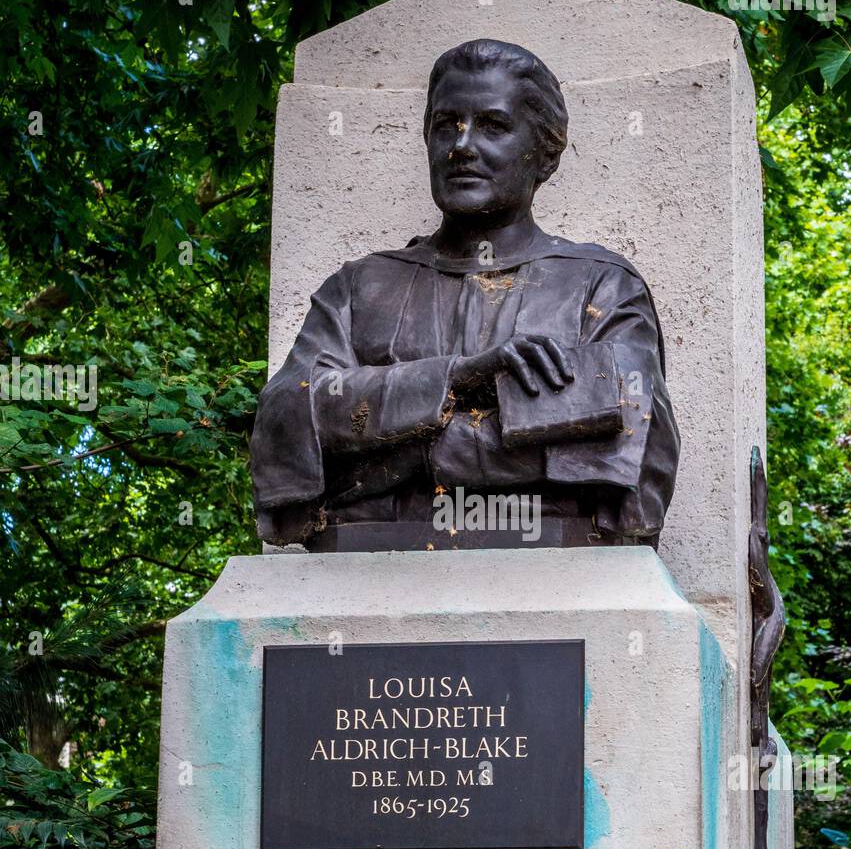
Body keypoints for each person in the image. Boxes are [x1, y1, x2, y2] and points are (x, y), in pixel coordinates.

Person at [251, 38, 679, 548]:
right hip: (367, 563)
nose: (462, 145)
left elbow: (634, 456)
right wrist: (461, 379)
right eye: (445, 124)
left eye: (493, 126)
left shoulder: (602, 284)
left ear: (544, 156)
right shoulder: (358, 286)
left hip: (552, 563)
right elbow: (287, 422)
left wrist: (385, 451)